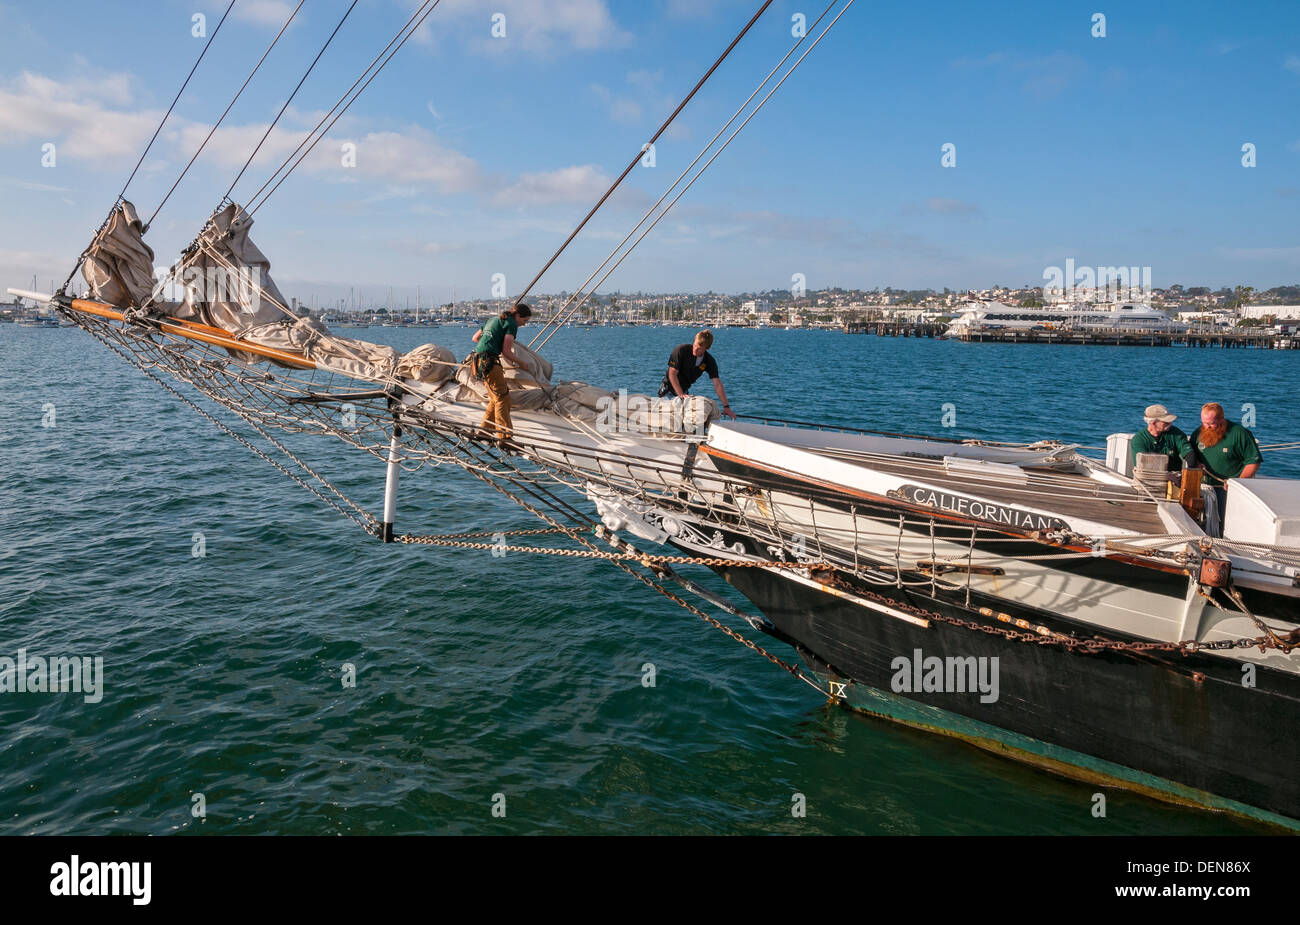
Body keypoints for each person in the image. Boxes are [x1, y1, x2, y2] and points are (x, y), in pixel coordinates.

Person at [469, 303, 532, 442]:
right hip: (489, 363)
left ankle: (484, 432)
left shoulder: (493, 320)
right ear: (517, 316)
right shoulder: (511, 324)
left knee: (495, 398)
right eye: (525, 320)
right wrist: (521, 363)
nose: (525, 324)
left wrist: (492, 341)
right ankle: (504, 437)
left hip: (478, 362)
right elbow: (506, 351)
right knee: (503, 398)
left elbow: (476, 338)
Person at [658, 329, 736, 420]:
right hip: (669, 391)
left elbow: (717, 384)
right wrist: (680, 394)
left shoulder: (709, 361)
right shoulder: (681, 350)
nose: (695, 349)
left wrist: (726, 406)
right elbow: (672, 373)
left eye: (699, 348)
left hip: (684, 393)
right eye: (695, 345)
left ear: (707, 348)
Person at [1191, 401, 1261, 487]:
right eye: (1204, 423)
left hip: (1230, 488)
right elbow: (1191, 454)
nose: (1207, 427)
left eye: (1211, 423)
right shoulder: (1197, 433)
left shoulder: (1240, 433)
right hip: (1204, 485)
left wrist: (1237, 484)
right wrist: (1197, 464)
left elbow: (1253, 462)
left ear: (1222, 418)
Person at [1129, 403, 1197, 475]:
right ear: (1153, 423)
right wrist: (1166, 476)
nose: (1170, 424)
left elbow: (1188, 452)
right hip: (1149, 476)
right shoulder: (1139, 440)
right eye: (1166, 422)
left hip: (1175, 476)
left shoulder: (1175, 433)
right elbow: (1143, 466)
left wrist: (1191, 470)